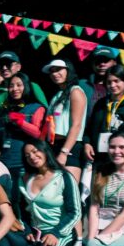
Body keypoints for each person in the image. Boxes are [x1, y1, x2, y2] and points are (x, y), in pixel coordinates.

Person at [17, 140, 81, 246]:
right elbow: (21, 210)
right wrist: (27, 230)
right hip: (35, 233)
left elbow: (75, 212)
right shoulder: (24, 179)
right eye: (27, 155)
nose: (32, 157)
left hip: (61, 233)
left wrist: (55, 233)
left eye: (35, 152)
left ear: (45, 151)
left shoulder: (64, 177)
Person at [84, 66, 124, 166]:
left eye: (116, 81)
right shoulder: (100, 104)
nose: (112, 85)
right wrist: (87, 143)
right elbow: (89, 129)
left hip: (122, 162)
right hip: (99, 159)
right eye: (109, 82)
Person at [44, 59, 88, 191]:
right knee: (54, 190)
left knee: (69, 190)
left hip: (69, 146)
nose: (55, 73)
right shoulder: (58, 94)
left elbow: (76, 125)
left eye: (58, 69)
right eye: (52, 71)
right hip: (53, 145)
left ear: (68, 70)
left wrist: (64, 152)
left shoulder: (76, 91)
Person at [0, 74, 46, 188]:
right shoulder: (4, 108)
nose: (15, 89)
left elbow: (38, 134)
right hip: (3, 160)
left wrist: (21, 123)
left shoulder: (36, 107)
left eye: (19, 85)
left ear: (27, 87)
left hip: (24, 161)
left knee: (20, 198)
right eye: (11, 86)